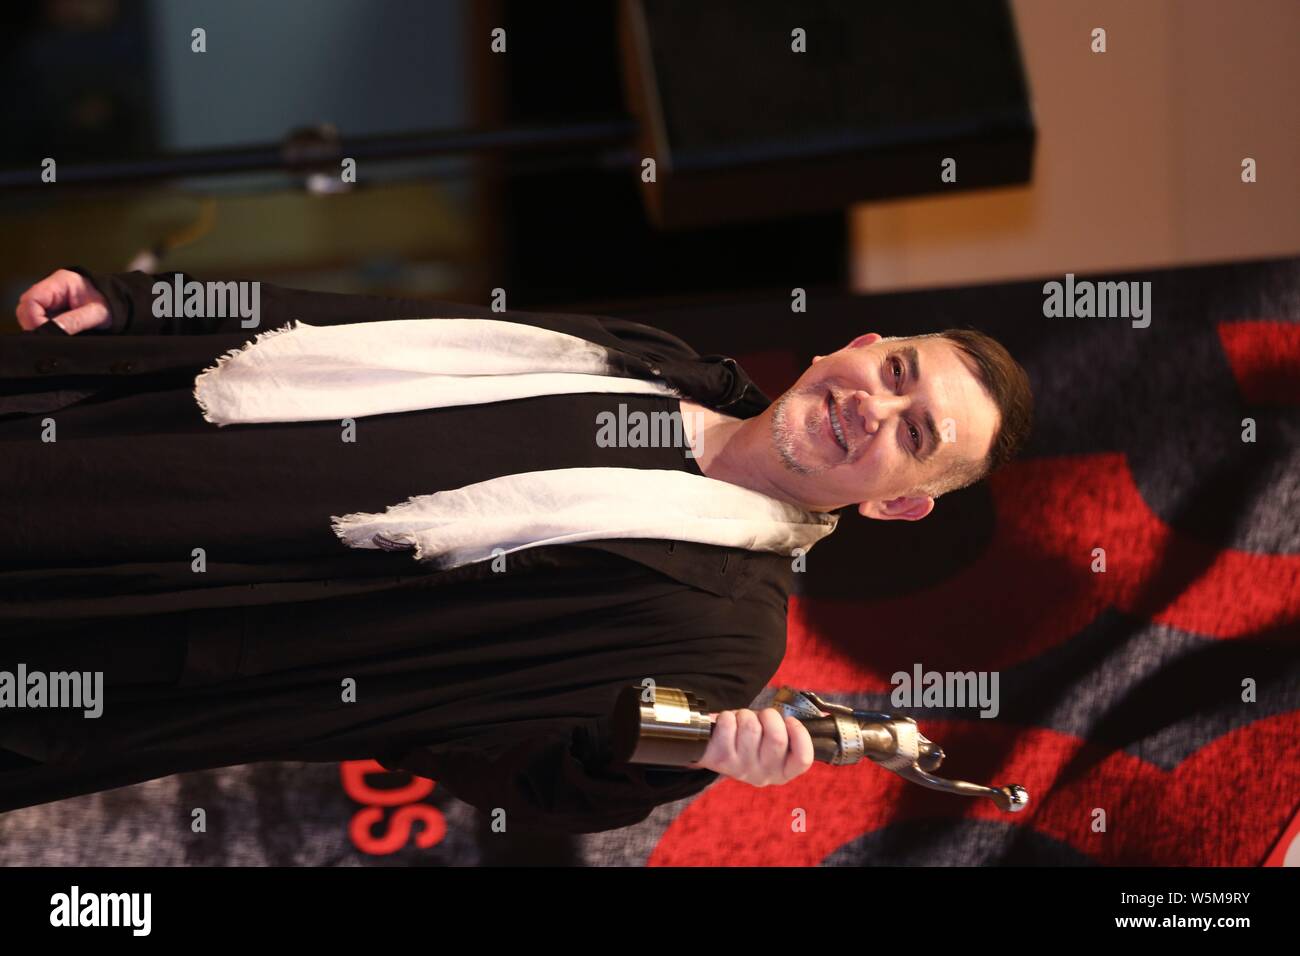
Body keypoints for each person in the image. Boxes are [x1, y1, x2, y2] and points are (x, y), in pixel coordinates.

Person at [0, 267, 1032, 832]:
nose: (872, 406)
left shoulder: (723, 632)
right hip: (127, 442)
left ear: (900, 507)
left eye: (914, 433)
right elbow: (384, 325)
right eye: (895, 369)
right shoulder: (659, 362)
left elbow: (534, 770)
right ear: (851, 346)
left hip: (145, 621)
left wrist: (686, 758)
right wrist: (150, 304)